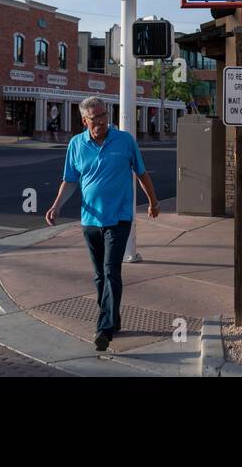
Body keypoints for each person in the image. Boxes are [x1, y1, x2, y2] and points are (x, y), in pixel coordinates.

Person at [46, 96, 160, 351]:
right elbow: (70, 180)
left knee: (111, 272)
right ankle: (114, 317)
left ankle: (104, 329)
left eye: (104, 115)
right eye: (95, 117)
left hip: (119, 218)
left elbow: (141, 173)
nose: (101, 121)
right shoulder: (76, 144)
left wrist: (153, 201)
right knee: (99, 277)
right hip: (90, 220)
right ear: (84, 120)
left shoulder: (125, 141)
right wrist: (56, 205)